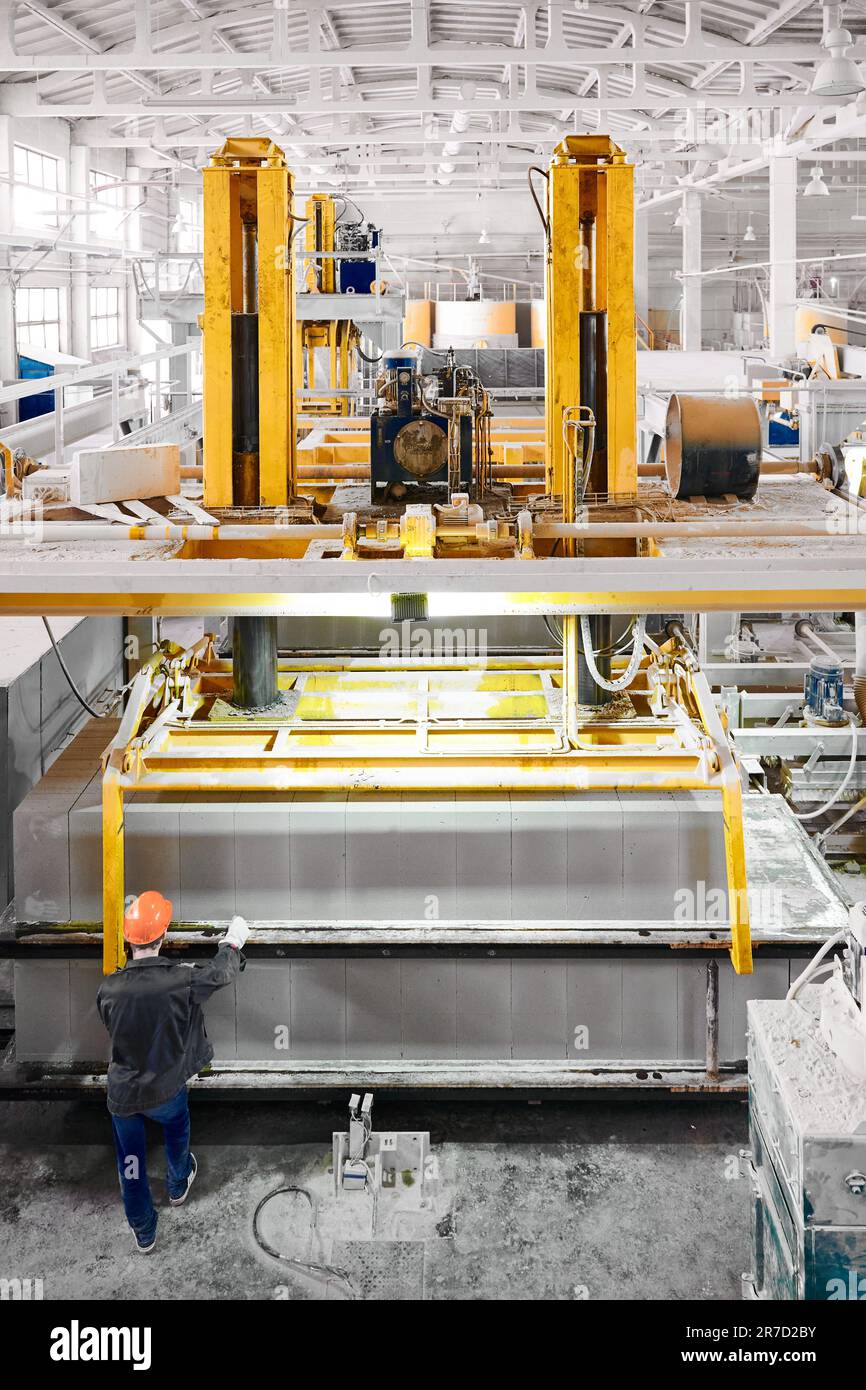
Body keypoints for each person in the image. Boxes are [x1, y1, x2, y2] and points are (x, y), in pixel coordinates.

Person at [96, 890, 249, 1253]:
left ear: (127, 939)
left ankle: (143, 1230)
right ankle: (178, 1184)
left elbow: (113, 1022)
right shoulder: (181, 980)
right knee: (177, 1128)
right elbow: (220, 974)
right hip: (166, 1089)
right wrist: (233, 941)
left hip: (123, 1096)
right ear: (163, 935)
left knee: (130, 1164)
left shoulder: (109, 988)